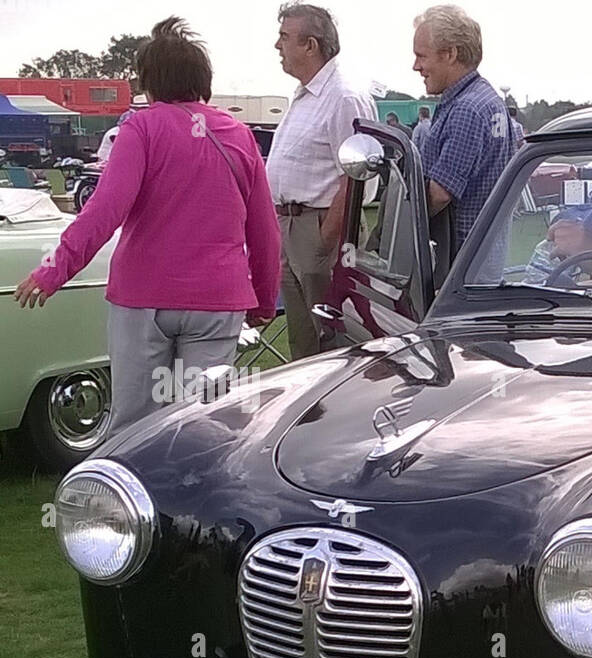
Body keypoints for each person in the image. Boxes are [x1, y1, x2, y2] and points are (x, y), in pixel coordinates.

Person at [14, 18, 279, 437]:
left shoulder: (140, 129)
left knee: (135, 426)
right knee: (206, 425)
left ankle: (129, 500)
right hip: (217, 300)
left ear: (149, 81)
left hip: (144, 296)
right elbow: (264, 228)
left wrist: (54, 269)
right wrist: (265, 299)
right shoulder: (241, 136)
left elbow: (105, 209)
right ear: (201, 79)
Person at [266, 3, 377, 358]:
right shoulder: (307, 95)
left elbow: (356, 174)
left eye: (284, 37)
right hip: (294, 227)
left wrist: (324, 239)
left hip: (318, 228)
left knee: (334, 342)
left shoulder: (344, 97)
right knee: (304, 345)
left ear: (310, 45)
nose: (276, 45)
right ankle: (311, 415)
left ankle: (339, 413)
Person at [411, 5, 513, 261]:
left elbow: (439, 194)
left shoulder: (467, 108)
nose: (416, 66)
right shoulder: (487, 99)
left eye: (421, 56)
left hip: (460, 259)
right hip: (483, 253)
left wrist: (395, 228)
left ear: (450, 54)